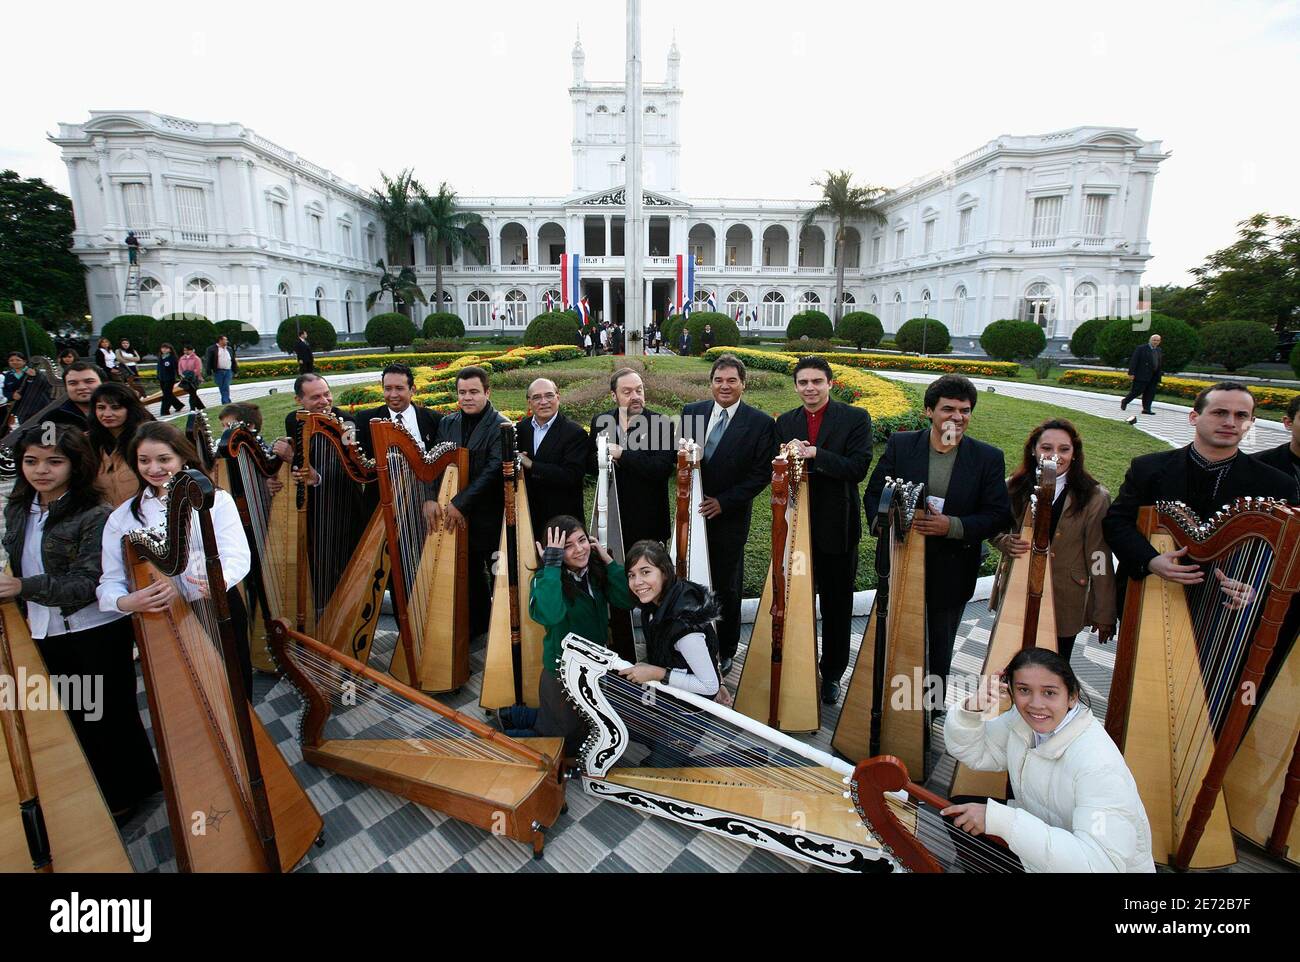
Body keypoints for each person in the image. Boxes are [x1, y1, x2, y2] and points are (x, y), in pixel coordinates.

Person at [0, 424, 161, 820]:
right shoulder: (19, 508)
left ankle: (127, 793)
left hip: (93, 629)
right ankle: (120, 785)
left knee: (107, 714)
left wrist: (21, 586)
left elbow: (87, 583)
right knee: (78, 713)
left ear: (75, 464)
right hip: (42, 627)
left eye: (55, 461)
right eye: (31, 461)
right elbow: (18, 556)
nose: (41, 470)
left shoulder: (94, 513)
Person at [865, 374, 1012, 709]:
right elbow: (875, 495)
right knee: (895, 637)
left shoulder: (987, 457)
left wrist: (953, 526)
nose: (957, 417)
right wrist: (891, 524)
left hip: (952, 568)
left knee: (940, 645)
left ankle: (929, 712)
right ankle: (886, 704)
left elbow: (997, 514)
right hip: (902, 560)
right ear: (929, 410)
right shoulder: (903, 445)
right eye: (948, 409)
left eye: (965, 410)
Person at [941, 647, 1156, 873]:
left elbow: (1099, 865)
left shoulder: (1099, 766)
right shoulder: (1022, 722)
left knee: (976, 818)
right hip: (1043, 829)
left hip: (1085, 864)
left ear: (1072, 696)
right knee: (959, 814)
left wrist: (1005, 821)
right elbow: (975, 752)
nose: (1036, 704)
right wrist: (972, 709)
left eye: (1049, 693)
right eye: (1024, 690)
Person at [1103, 382, 1298, 612]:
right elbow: (1116, 523)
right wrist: (1150, 560)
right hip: (1152, 592)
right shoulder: (1149, 468)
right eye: (1219, 412)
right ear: (1194, 417)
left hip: (1226, 609)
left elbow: (1287, 551)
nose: (1230, 422)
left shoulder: (1276, 483)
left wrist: (1257, 589)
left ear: (1251, 424)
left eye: (1241, 415)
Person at [98, 421, 254, 692]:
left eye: (164, 459)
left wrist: (220, 579)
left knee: (236, 688)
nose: (154, 469)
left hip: (218, 603)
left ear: (183, 457)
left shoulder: (216, 500)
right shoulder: (122, 518)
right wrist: (126, 601)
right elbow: (110, 581)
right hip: (161, 619)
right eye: (144, 460)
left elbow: (236, 553)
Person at [777, 356, 873, 704]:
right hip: (797, 527)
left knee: (836, 605)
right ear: (796, 387)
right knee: (797, 599)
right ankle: (797, 665)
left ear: (830, 384)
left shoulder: (855, 418)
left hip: (837, 527)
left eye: (817, 382)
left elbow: (858, 467)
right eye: (803, 383)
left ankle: (832, 673)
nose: (810, 388)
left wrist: (816, 453)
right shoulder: (787, 421)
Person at [678, 354, 778, 675]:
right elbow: (678, 458)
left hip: (729, 517)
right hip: (692, 515)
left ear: (743, 384)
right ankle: (688, 642)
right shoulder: (692, 412)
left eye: (731, 380)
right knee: (691, 580)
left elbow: (761, 474)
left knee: (727, 584)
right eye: (719, 380)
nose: (724, 386)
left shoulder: (760, 423)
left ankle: (726, 648)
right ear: (711, 383)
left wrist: (724, 501)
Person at [500, 517, 635, 754]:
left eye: (582, 540)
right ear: (554, 553)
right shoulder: (543, 580)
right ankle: (503, 739)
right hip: (562, 672)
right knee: (561, 738)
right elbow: (550, 615)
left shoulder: (595, 571)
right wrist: (551, 567)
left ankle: (513, 714)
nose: (579, 549)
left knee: (585, 725)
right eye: (568, 546)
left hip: (594, 666)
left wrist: (609, 561)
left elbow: (626, 598)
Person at [989, 419, 1116, 664]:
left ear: (1075, 454)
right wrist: (1004, 541)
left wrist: (1104, 612)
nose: (1055, 455)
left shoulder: (1094, 497)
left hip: (1064, 597)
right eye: (1046, 448)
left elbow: (1099, 557)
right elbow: (994, 527)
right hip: (1018, 589)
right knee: (1008, 659)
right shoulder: (1012, 487)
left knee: (1054, 666)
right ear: (1033, 450)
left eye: (1064, 449)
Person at [430, 366, 507, 642]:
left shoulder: (501, 425)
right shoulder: (447, 423)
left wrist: (460, 502)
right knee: (470, 573)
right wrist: (433, 497)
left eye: (474, 392)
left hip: (488, 514)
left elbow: (493, 469)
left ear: (487, 392)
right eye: (462, 392)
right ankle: (478, 625)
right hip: (456, 515)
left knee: (497, 573)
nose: (467, 398)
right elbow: (436, 463)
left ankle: (502, 629)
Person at [621, 539, 727, 702]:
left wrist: (655, 673)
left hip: (686, 709)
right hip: (673, 693)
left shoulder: (684, 627)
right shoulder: (660, 600)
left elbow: (708, 686)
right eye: (631, 575)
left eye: (645, 572)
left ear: (664, 572)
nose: (637, 582)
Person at [587, 367, 676, 549]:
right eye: (627, 392)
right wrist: (602, 456)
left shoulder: (662, 424)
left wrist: (621, 454)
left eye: (639, 390)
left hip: (649, 519)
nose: (635, 396)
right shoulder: (600, 421)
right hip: (611, 516)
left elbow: (662, 468)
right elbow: (589, 464)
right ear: (614, 396)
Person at [517, 378, 587, 527]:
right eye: (536, 397)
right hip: (527, 516)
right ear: (529, 402)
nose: (543, 402)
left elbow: (571, 475)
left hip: (562, 517)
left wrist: (532, 465)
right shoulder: (521, 429)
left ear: (558, 397)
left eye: (549, 395)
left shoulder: (575, 432)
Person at [88, 382, 156, 507]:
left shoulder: (147, 440)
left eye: (116, 407)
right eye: (101, 407)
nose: (107, 414)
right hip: (106, 520)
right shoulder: (90, 443)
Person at [353, 363, 441, 458]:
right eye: (388, 389)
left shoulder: (434, 419)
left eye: (399, 388)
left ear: (412, 390)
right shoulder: (365, 420)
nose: (393, 395)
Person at [1121, 334, 1163, 415]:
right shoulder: (1141, 348)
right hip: (1142, 374)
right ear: (1150, 340)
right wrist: (1131, 373)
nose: (1156, 342)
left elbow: (1158, 362)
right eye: (1154, 340)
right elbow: (1134, 361)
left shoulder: (1159, 350)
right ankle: (1125, 401)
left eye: (1158, 340)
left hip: (1154, 376)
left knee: (1150, 393)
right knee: (1137, 391)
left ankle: (1146, 409)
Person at [53, 362, 103, 428]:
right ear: (66, 387)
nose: (82, 387)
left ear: (103, 383)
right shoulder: (53, 419)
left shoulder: (119, 413)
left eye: (89, 381)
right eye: (73, 383)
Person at [203, 334, 238, 404]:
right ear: (220, 340)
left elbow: (233, 360)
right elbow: (208, 360)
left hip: (228, 371)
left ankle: (226, 402)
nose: (227, 341)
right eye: (225, 340)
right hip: (218, 371)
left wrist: (235, 370)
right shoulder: (212, 349)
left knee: (225, 386)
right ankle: (227, 401)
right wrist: (208, 371)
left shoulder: (229, 349)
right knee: (222, 387)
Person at [177, 344, 205, 410]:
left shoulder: (196, 358)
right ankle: (201, 406)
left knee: (192, 394)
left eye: (188, 350)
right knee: (192, 394)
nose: (186, 352)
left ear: (192, 350)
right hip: (185, 379)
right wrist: (182, 375)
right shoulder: (182, 358)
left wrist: (191, 375)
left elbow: (198, 369)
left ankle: (192, 408)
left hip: (194, 379)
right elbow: (180, 368)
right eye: (185, 350)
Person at [155, 342, 181, 416]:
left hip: (169, 379)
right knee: (168, 394)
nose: (164, 350)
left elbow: (176, 368)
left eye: (166, 348)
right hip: (161, 378)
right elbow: (159, 368)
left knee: (166, 395)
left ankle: (164, 411)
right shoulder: (161, 357)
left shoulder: (172, 358)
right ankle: (178, 405)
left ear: (170, 349)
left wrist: (179, 376)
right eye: (163, 348)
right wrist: (158, 375)